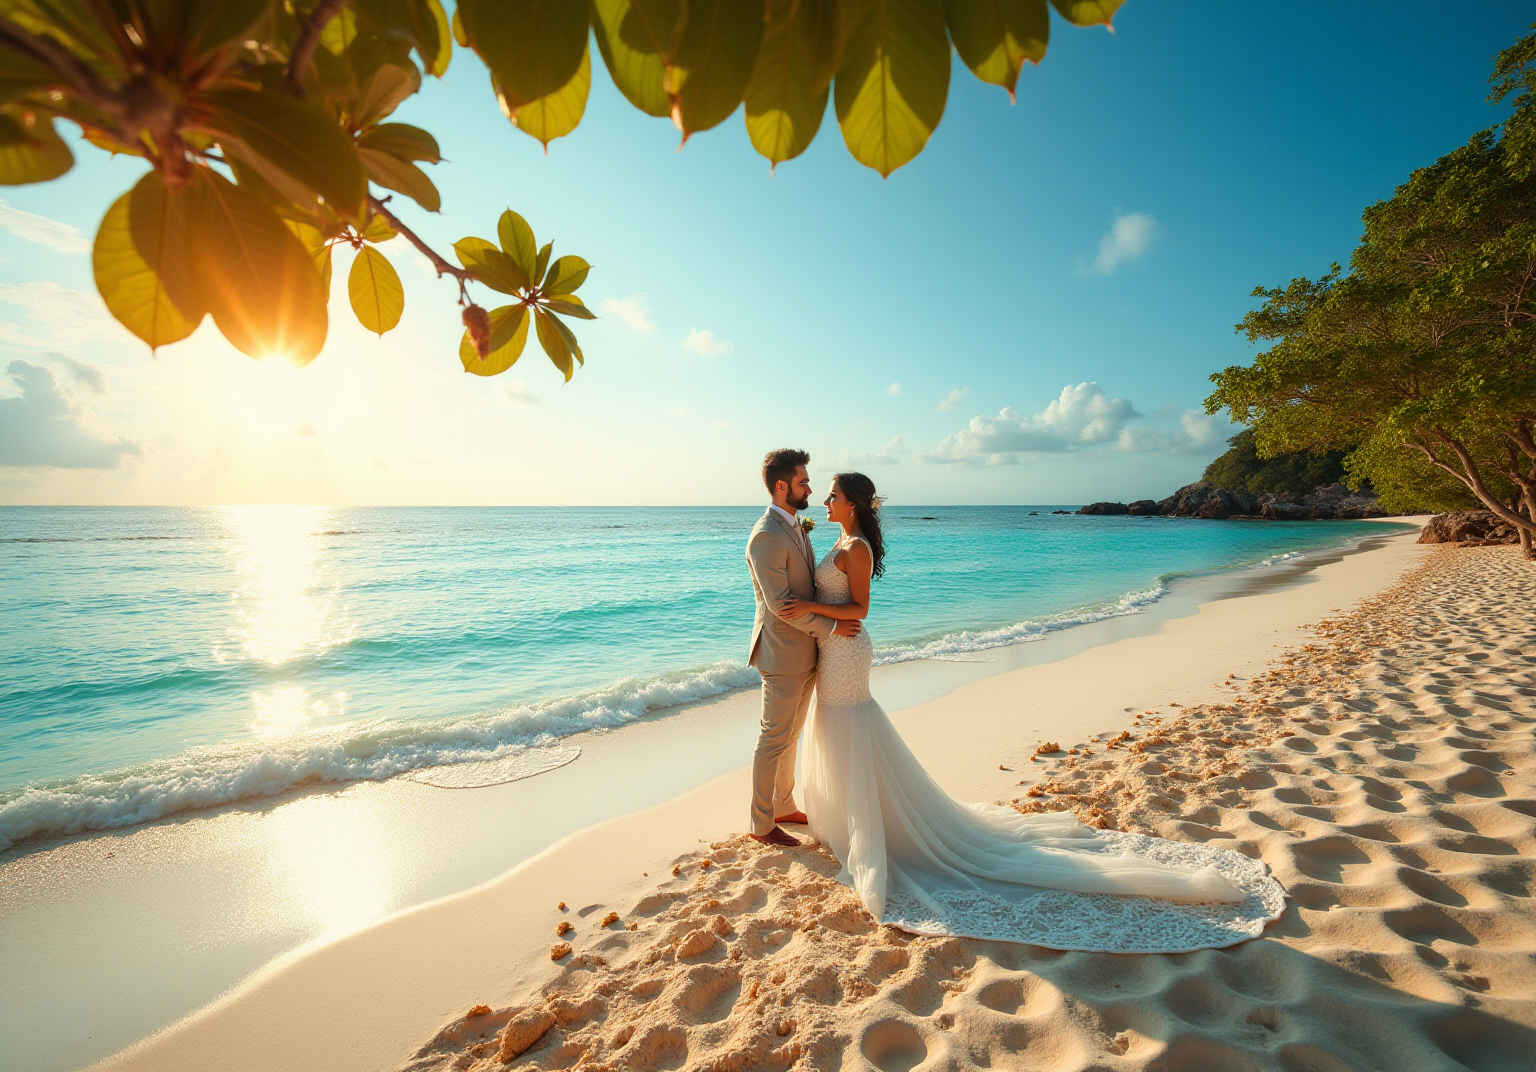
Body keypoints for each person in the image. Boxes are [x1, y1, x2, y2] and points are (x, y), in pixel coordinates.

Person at [777, 472, 1287, 953]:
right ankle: (850, 818)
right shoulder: (842, 542)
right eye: (823, 496)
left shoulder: (858, 548)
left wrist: (813, 612)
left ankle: (870, 827)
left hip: (847, 652)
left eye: (832, 496)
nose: (824, 502)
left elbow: (861, 609)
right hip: (835, 652)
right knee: (842, 728)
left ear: (853, 504)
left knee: (850, 727)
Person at [743, 449, 862, 848]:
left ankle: (783, 805)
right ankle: (761, 824)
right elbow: (781, 605)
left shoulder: (794, 526)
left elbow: (806, 589)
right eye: (803, 481)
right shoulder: (765, 536)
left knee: (790, 737)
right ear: (782, 486)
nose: (810, 488)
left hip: (808, 652)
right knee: (773, 738)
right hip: (781, 653)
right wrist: (831, 627)